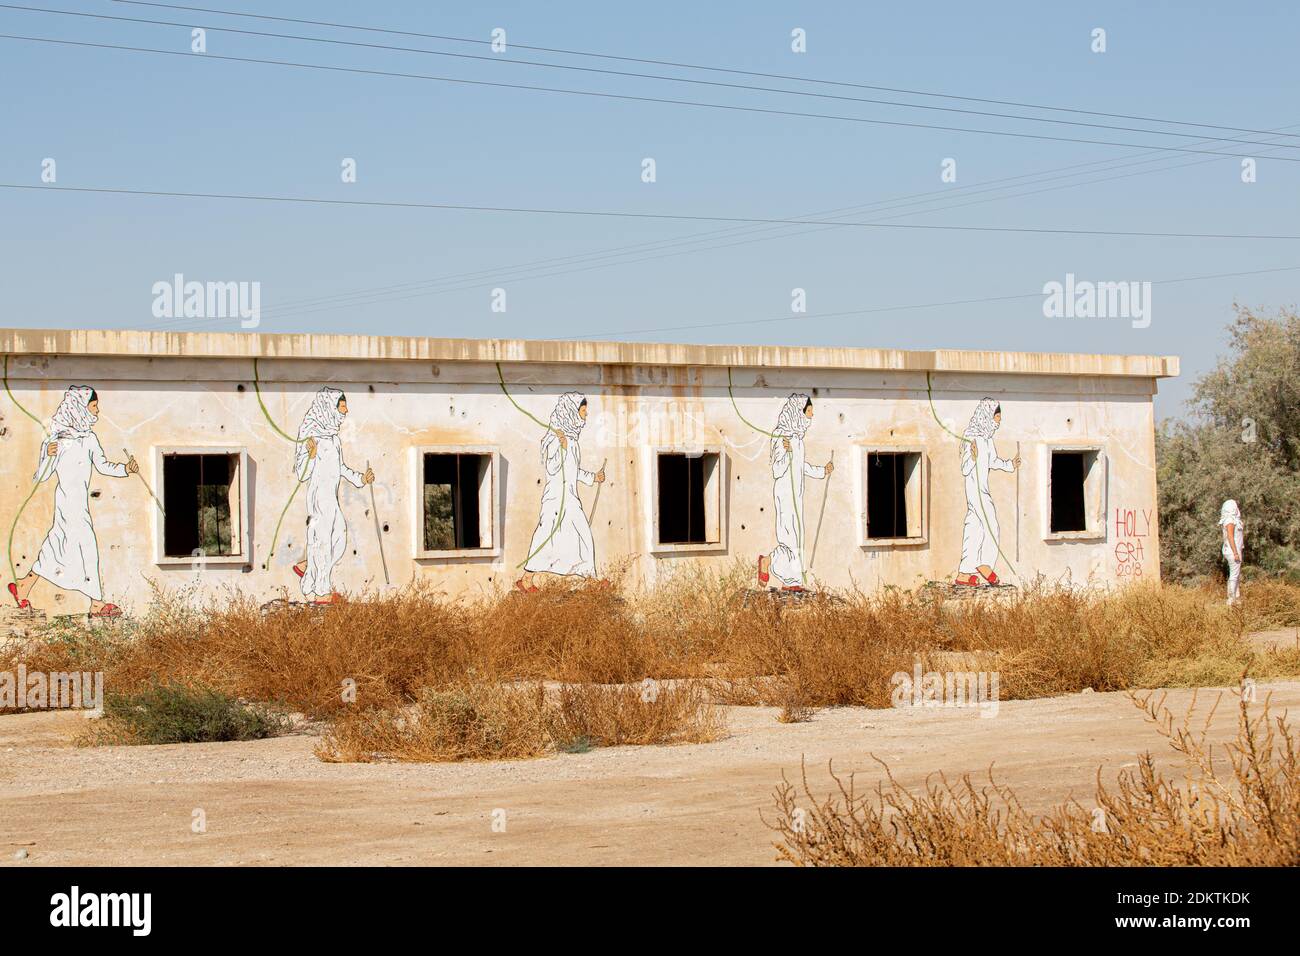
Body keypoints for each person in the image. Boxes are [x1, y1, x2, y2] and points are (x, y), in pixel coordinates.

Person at [8, 386, 138, 617]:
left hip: (80, 502)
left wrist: (125, 469)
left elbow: (103, 465)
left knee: (57, 544)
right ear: (80, 407)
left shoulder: (89, 439)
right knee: (85, 546)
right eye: (94, 406)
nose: (97, 412)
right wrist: (48, 454)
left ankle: (24, 585)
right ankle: (96, 604)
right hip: (67, 502)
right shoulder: (56, 441)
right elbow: (43, 476)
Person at [292, 387, 373, 604]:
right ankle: (322, 592)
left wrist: (360, 479)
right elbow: (301, 473)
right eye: (342, 406)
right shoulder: (309, 436)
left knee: (338, 539)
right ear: (329, 408)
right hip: (318, 498)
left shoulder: (333, 439)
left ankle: (307, 570)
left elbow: (341, 467)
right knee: (322, 542)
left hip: (331, 497)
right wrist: (311, 456)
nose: (345, 411)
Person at [516, 392, 605, 591]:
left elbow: (573, 471)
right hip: (556, 498)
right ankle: (526, 579)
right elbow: (553, 468)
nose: (586, 414)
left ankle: (590, 579)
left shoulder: (572, 440)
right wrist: (562, 447)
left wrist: (593, 477)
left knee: (583, 534)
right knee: (545, 536)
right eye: (583, 410)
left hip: (570, 498)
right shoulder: (556, 438)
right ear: (572, 412)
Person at [757, 394, 834, 591]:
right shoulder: (781, 436)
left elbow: (801, 466)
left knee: (797, 538)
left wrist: (822, 471)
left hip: (796, 494)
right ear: (798, 412)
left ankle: (792, 581)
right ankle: (768, 562)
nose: (810, 418)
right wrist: (788, 453)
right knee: (788, 537)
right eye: (808, 413)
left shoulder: (798, 439)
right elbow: (777, 469)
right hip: (784, 493)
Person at [955, 398, 1020, 587]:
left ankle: (964, 574)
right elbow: (965, 468)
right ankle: (984, 564)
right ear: (987, 416)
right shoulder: (971, 437)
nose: (998, 421)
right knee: (991, 524)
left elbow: (993, 461)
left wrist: (1010, 465)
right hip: (975, 490)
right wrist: (973, 457)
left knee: (973, 528)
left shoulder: (987, 439)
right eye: (996, 417)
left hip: (983, 488)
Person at [1220, 499, 1244, 606]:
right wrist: (1235, 552)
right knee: (1234, 576)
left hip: (1234, 550)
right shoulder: (1230, 520)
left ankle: (1236, 598)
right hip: (1232, 551)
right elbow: (1230, 536)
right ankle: (1231, 600)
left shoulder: (1232, 519)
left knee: (1235, 575)